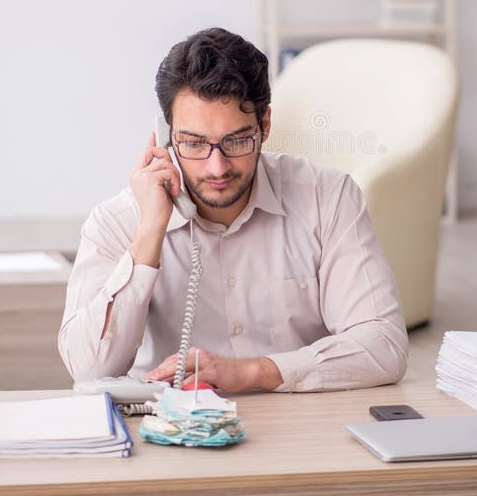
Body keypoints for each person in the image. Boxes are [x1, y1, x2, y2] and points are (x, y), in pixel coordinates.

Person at [58, 27, 408, 393]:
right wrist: (150, 232)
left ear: (265, 126)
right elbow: (88, 370)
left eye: (237, 141)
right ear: (168, 135)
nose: (217, 167)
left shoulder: (328, 197)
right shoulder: (118, 221)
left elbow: (384, 345)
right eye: (193, 143)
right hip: (171, 429)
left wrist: (249, 373)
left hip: (299, 422)